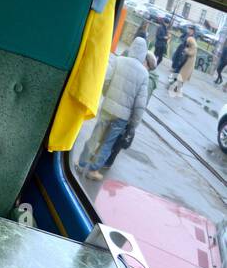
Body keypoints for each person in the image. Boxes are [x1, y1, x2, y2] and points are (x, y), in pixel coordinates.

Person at [77, 37, 150, 181]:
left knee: (95, 136)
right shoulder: (144, 74)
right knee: (107, 143)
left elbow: (106, 80)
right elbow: (140, 104)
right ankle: (93, 170)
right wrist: (134, 124)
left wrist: (107, 95)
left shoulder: (119, 60)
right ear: (144, 54)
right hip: (122, 117)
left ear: (131, 48)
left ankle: (81, 164)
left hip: (107, 108)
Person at [168, 29, 197, 97]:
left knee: (182, 76)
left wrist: (186, 50)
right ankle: (172, 82)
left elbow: (191, 53)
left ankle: (176, 88)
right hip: (184, 61)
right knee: (178, 72)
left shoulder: (194, 47)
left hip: (187, 65)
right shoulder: (190, 43)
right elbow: (182, 38)